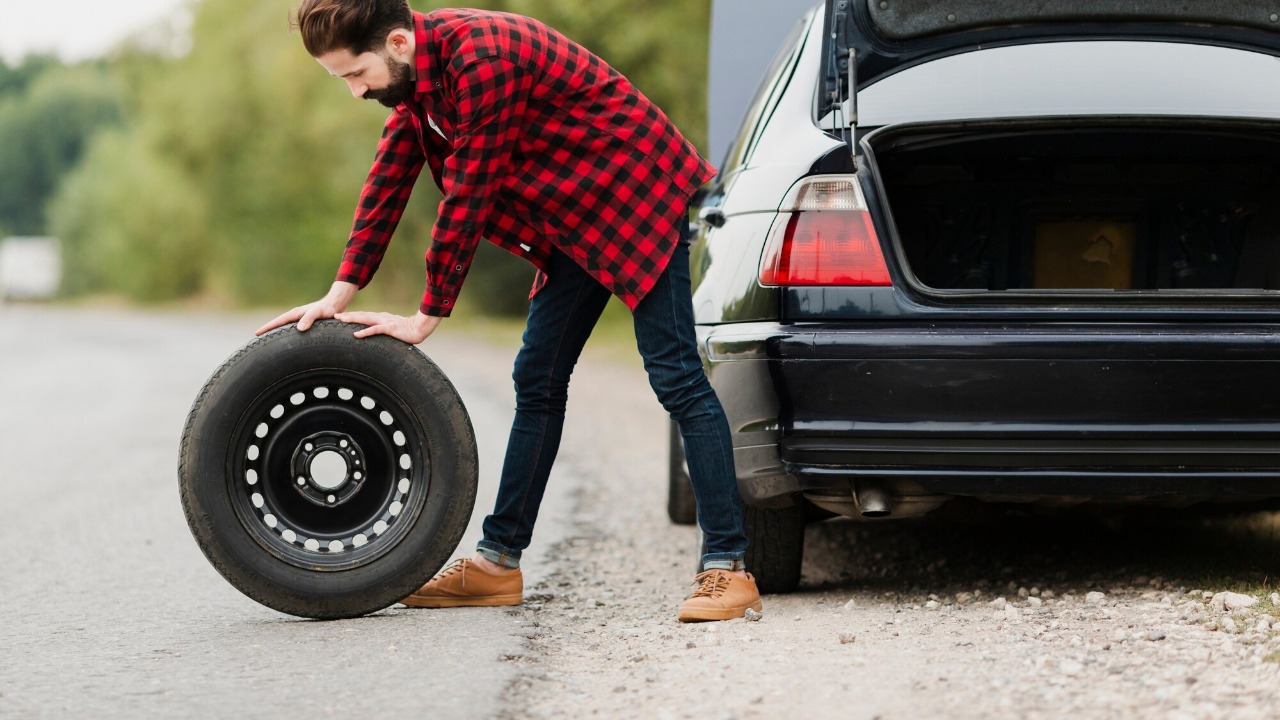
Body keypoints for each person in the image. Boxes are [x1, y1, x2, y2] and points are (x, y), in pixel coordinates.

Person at [257, 0, 761, 623]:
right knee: (537, 380)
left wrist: (426, 315)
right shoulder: (419, 80)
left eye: (355, 75)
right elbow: (388, 180)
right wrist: (340, 292)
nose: (356, 93)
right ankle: (497, 566)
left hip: (633, 190)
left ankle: (728, 569)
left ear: (395, 43)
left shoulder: (483, 59)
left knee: (676, 376)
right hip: (576, 216)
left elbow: (470, 191)